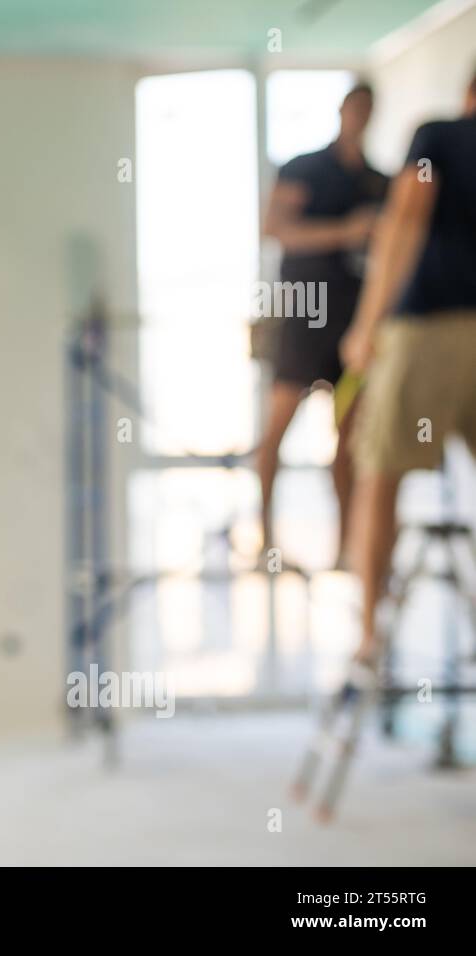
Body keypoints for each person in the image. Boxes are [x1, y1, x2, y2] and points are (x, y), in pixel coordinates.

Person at [340, 72, 476, 667]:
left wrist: (367, 323)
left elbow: (406, 219)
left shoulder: (438, 137)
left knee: (380, 475)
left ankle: (369, 633)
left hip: (428, 329)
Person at [257, 84, 389, 569]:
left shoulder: (379, 180)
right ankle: (265, 539)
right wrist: (344, 231)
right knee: (276, 431)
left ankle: (346, 550)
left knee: (349, 442)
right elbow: (274, 229)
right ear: (342, 110)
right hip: (302, 313)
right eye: (355, 108)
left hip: (354, 323)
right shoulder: (303, 167)